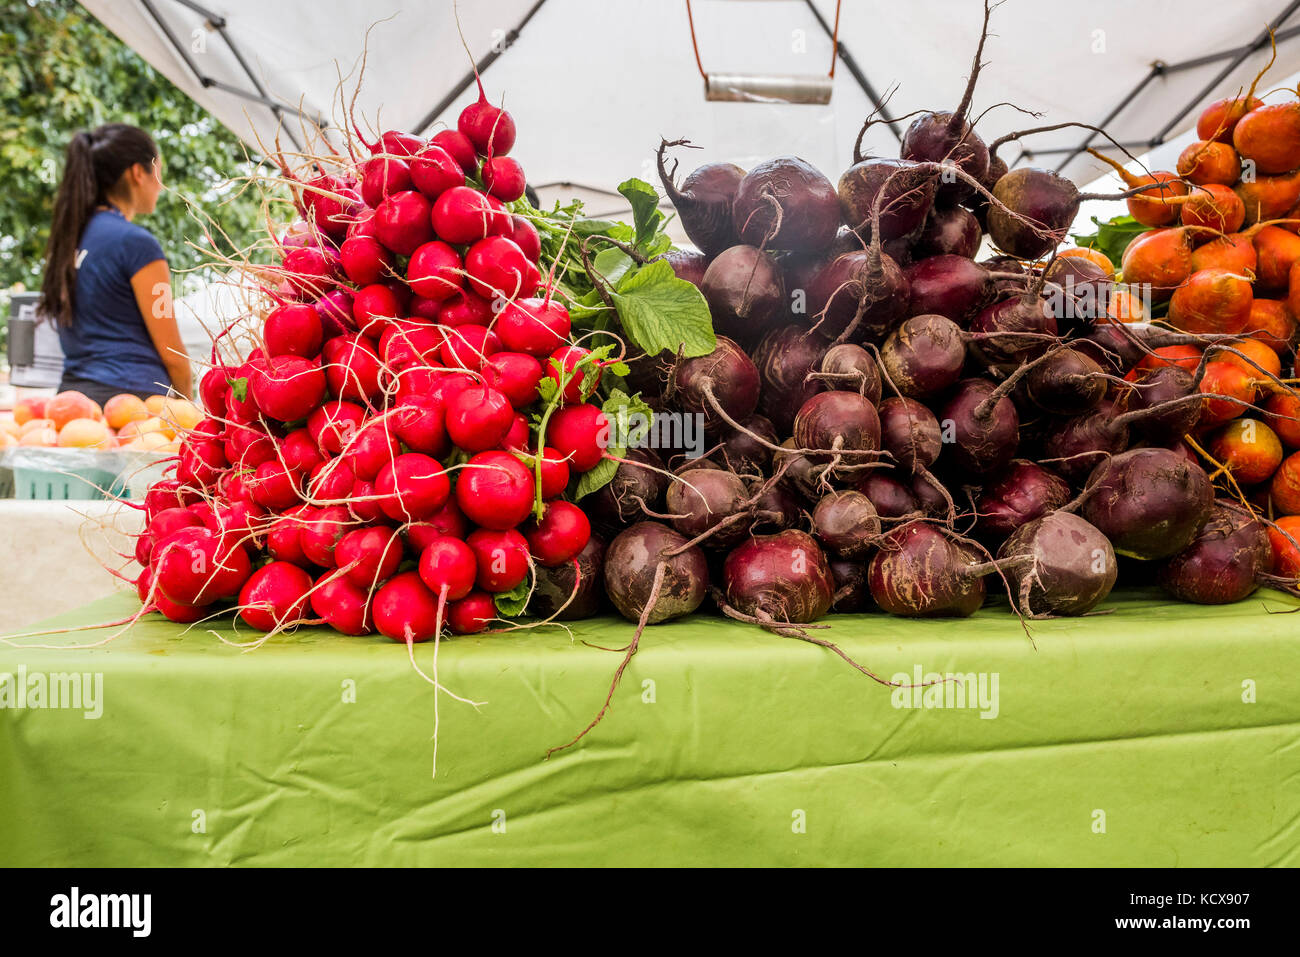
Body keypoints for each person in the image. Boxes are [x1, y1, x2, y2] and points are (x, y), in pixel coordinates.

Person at [40, 123, 192, 405]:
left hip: (72, 405)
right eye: (159, 172)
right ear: (137, 172)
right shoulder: (137, 244)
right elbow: (173, 354)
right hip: (132, 406)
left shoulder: (67, 241)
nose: (161, 185)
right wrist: (186, 408)